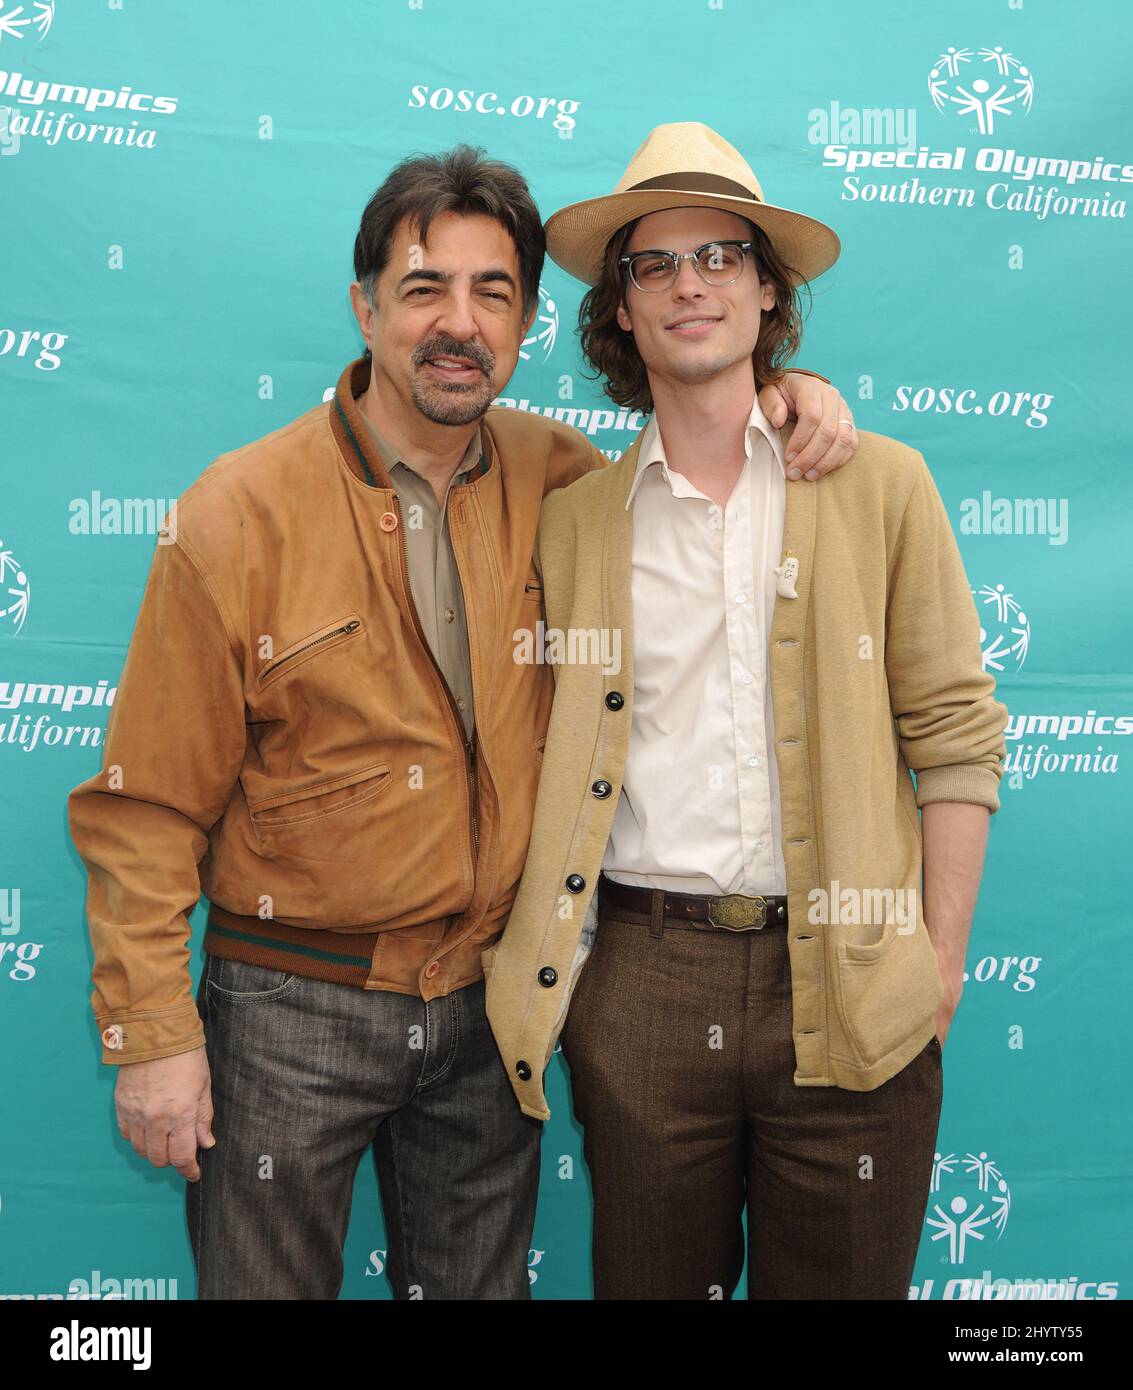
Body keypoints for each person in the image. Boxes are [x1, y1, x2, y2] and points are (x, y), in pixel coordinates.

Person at [65, 142, 858, 1300]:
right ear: (365, 305)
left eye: (494, 293)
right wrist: (152, 1034)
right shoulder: (238, 511)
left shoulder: (563, 481)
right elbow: (145, 806)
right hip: (290, 1006)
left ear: (530, 319)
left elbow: (703, 439)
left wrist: (788, 399)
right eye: (425, 285)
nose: (459, 322)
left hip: (494, 1008)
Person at [483, 122, 1009, 1300]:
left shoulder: (880, 485)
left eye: (720, 255)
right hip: (641, 985)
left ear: (768, 288)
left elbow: (957, 735)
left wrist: (936, 967)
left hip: (855, 976)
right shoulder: (572, 519)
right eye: (652, 264)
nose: (689, 284)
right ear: (617, 308)